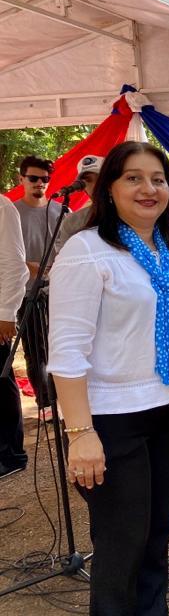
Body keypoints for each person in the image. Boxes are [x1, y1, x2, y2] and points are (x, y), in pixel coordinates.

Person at [46, 141, 169, 615]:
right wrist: (81, 434)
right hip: (112, 419)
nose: (149, 188)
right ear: (109, 188)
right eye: (134, 178)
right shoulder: (87, 251)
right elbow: (67, 352)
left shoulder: (166, 249)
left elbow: (156, 321)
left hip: (167, 410)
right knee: (122, 545)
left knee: (155, 536)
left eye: (158, 179)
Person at [14, 155, 61, 409]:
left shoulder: (60, 211)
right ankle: (45, 405)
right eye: (33, 178)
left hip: (59, 291)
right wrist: (32, 267)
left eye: (44, 179)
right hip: (26, 293)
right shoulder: (11, 213)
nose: (39, 184)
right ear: (21, 179)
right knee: (35, 352)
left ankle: (63, 402)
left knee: (60, 348)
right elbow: (6, 255)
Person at [0, 194, 30, 478]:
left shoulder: (2, 206)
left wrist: (6, 312)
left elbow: (14, 265)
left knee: (0, 381)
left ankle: (11, 454)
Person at [53, 155, 103, 257]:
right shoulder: (72, 221)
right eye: (88, 180)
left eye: (100, 178)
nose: (95, 185)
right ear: (83, 188)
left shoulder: (131, 214)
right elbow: (64, 259)